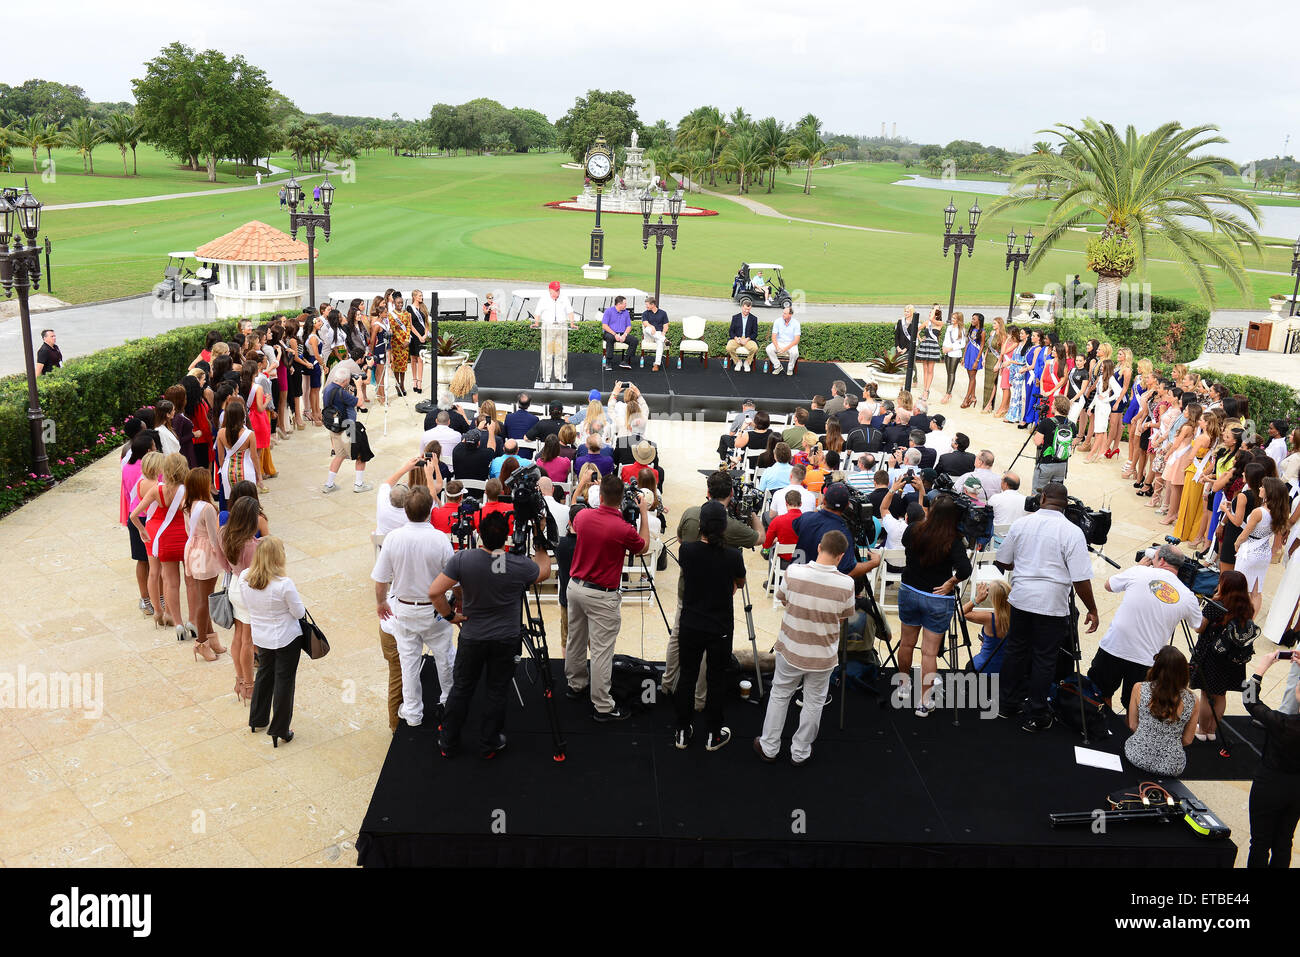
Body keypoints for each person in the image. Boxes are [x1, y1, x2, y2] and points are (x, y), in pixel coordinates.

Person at [430, 511, 550, 758]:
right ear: (507, 536)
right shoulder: (518, 564)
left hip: (473, 636)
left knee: (462, 688)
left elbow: (434, 592)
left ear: (479, 534)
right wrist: (539, 538)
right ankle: (488, 743)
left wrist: (451, 616)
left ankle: (448, 742)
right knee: (496, 690)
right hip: (505, 639)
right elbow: (544, 571)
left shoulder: (462, 559)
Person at [995, 481, 1099, 732]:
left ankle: (1007, 704)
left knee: (1016, 651)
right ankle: (1037, 713)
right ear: (1065, 505)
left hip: (1021, 599)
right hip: (1051, 604)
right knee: (1044, 658)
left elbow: (1003, 561)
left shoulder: (1022, 524)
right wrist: (1092, 609)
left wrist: (1026, 563)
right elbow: (1080, 579)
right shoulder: (1072, 532)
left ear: (1042, 500)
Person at [661, 472, 764, 710]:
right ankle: (700, 699)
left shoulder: (689, 513)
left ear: (708, 491)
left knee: (678, 638)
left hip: (686, 591)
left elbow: (679, 538)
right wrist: (755, 517)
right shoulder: (732, 526)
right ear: (730, 494)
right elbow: (759, 539)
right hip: (716, 599)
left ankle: (667, 684)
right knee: (709, 651)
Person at [755, 530, 857, 766]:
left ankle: (769, 747)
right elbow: (843, 616)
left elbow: (784, 599)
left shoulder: (794, 572)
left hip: (791, 648)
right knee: (814, 701)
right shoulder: (847, 584)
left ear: (819, 547)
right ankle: (800, 752)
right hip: (823, 656)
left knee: (780, 695)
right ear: (841, 556)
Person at [564, 475, 650, 720]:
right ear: (621, 499)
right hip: (602, 595)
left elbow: (573, 509)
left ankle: (575, 684)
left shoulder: (583, 517)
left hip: (575, 587)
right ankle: (603, 705)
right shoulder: (623, 528)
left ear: (599, 496)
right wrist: (643, 512)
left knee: (576, 638)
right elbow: (642, 545)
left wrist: (583, 487)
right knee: (602, 651)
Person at [372, 486, 455, 729]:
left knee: (409, 663)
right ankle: (448, 701)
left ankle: (414, 713)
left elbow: (380, 579)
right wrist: (457, 602)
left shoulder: (393, 539)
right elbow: (453, 578)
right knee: (444, 656)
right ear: (430, 510)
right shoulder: (440, 539)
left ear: (406, 511)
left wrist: (381, 602)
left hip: (405, 610)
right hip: (434, 610)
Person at [1088, 545, 1203, 711]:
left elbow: (1108, 585)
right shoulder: (1187, 595)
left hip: (1115, 647)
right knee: (1136, 706)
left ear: (1161, 560)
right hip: (1147, 659)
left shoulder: (1139, 572)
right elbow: (1197, 625)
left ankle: (1104, 726)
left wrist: (1139, 567)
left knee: (1101, 693)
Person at [672, 501, 746, 752]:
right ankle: (714, 733)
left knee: (687, 677)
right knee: (716, 679)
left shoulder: (688, 551)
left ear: (701, 525)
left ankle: (682, 730)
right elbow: (741, 582)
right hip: (720, 626)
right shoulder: (733, 555)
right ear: (724, 526)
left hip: (691, 623)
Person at [895, 494, 972, 715]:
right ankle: (924, 702)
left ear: (931, 510)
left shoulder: (914, 529)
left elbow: (905, 543)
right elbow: (965, 569)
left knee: (907, 644)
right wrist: (950, 582)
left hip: (909, 591)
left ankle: (902, 687)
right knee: (929, 653)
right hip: (937, 598)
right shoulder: (953, 540)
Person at [241, 537, 306, 748]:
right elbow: (298, 612)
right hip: (286, 638)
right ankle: (280, 729)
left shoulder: (244, 578)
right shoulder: (283, 584)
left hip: (261, 637)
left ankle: (257, 719)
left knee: (264, 675)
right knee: (284, 681)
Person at [1242, 650, 1300, 867]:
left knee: (1260, 842)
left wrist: (1259, 670)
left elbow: (1250, 701)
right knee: (1284, 841)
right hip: (1297, 790)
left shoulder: (1283, 724)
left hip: (1270, 784)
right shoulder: (1286, 723)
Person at [1188, 570, 1258, 743]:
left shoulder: (1216, 605)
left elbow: (1199, 628)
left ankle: (1202, 730)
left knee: (1207, 694)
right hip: (1233, 657)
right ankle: (1212, 730)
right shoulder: (1247, 607)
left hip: (1212, 655)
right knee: (1221, 694)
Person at [130, 452, 190, 632]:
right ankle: (169, 612)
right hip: (166, 529)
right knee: (168, 575)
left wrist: (141, 530)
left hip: (151, 528)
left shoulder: (141, 483)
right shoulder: (161, 486)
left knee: (153, 572)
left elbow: (135, 512)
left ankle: (157, 610)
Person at [1122, 646, 1197, 776]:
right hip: (1172, 766)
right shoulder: (1193, 700)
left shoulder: (1139, 688)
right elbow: (1188, 740)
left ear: (1157, 666)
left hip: (1136, 755)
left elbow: (1133, 725)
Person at [182, 467, 226, 662]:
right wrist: (224, 557)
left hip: (193, 550)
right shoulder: (207, 508)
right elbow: (214, 537)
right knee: (205, 601)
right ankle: (201, 643)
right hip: (206, 553)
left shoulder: (187, 504)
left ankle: (211, 637)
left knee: (204, 598)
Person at [221, 497, 262, 704]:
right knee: (248, 640)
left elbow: (224, 564)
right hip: (247, 591)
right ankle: (249, 685)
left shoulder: (226, 535)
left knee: (238, 637)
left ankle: (239, 681)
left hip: (234, 585)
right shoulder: (251, 545)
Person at [321, 350, 374, 494]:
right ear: (345, 381)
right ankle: (359, 484)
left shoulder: (328, 389)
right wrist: (357, 386)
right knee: (361, 453)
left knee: (340, 455)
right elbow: (360, 401)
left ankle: (329, 484)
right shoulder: (342, 394)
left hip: (334, 427)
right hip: (347, 426)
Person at [1235, 477, 1289, 614]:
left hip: (1249, 551)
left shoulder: (1258, 512)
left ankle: (1236, 619)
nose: (1260, 488)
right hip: (1263, 553)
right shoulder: (1278, 512)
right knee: (1256, 591)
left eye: (1263, 487)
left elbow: (1245, 534)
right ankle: (1250, 623)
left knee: (1239, 588)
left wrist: (1237, 543)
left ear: (1269, 492)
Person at [1031, 395, 1075, 493]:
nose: (1051, 406)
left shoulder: (1046, 422)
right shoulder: (1072, 425)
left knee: (1037, 494)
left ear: (1056, 407)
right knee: (1055, 496)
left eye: (1052, 404)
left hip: (1046, 463)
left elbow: (1037, 442)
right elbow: (1073, 443)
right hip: (1062, 465)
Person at [966, 580, 1011, 673]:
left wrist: (977, 599)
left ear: (993, 598)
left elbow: (961, 613)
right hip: (1007, 669)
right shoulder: (1019, 617)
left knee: (969, 666)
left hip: (985, 667)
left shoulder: (989, 618)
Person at [600, 295, 639, 370]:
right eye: (625, 303)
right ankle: (608, 362)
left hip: (622, 333)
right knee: (610, 338)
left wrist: (624, 335)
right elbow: (604, 326)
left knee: (634, 340)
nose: (626, 305)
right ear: (619, 304)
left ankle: (625, 361)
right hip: (610, 333)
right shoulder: (608, 311)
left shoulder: (626, 312)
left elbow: (629, 326)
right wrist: (614, 334)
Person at [988, 472, 1027, 538]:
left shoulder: (996, 498)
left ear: (1005, 484)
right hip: (1016, 540)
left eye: (1002, 480)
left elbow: (987, 517)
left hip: (996, 540)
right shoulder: (1026, 500)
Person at [940, 311, 966, 404]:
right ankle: (949, 392)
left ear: (959, 319)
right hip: (947, 352)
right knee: (948, 372)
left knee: (951, 373)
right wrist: (944, 347)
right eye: (952, 318)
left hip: (955, 353)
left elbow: (962, 344)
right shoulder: (949, 328)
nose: (952, 320)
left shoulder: (961, 329)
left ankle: (948, 393)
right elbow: (946, 339)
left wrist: (951, 348)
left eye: (954, 318)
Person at [766, 305, 800, 375]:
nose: (783, 315)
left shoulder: (796, 323)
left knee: (795, 353)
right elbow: (773, 337)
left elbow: (796, 340)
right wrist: (777, 347)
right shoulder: (777, 321)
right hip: (779, 342)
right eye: (783, 313)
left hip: (791, 344)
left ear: (790, 314)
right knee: (768, 349)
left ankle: (790, 368)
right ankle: (778, 366)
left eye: (785, 313)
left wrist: (785, 348)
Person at [727, 302, 760, 371]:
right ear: (742, 307)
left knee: (754, 348)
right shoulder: (735, 317)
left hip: (748, 340)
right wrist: (736, 338)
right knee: (729, 347)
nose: (747, 311)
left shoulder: (754, 318)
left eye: (748, 309)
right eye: (745, 309)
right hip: (737, 339)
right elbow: (731, 331)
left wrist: (747, 339)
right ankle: (738, 362)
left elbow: (755, 333)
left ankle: (747, 362)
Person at [641, 296, 669, 371]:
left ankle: (656, 364)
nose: (646, 306)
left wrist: (663, 332)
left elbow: (666, 325)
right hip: (648, 336)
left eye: (647, 304)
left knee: (660, 343)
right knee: (647, 329)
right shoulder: (645, 313)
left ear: (653, 304)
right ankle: (665, 339)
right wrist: (652, 327)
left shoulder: (663, 313)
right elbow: (645, 323)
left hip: (659, 334)